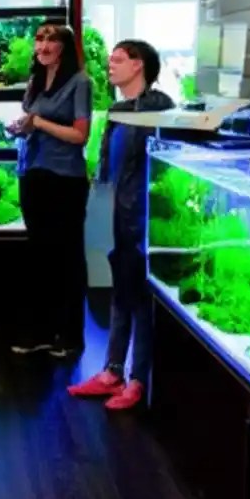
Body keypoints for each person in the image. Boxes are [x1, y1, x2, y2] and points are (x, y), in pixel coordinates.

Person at [67, 39, 173, 410]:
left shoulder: (159, 109)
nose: (110, 65)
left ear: (139, 65)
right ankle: (112, 371)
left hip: (142, 220)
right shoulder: (115, 109)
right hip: (114, 213)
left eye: (118, 60)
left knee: (141, 299)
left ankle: (138, 380)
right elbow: (107, 164)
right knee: (120, 293)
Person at [7, 21, 92, 358]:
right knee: (40, 256)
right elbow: (31, 122)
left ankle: (70, 335)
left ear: (64, 47)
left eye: (50, 39)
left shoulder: (80, 83)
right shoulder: (36, 80)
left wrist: (38, 123)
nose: (42, 45)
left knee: (67, 256)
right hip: (33, 173)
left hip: (65, 179)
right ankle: (41, 332)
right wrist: (20, 127)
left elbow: (80, 135)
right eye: (38, 39)